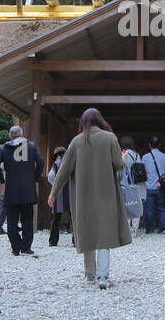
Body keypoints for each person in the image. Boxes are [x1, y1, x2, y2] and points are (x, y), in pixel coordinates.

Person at [48, 108, 131, 289]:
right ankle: (103, 276)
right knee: (104, 235)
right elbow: (118, 164)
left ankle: (90, 275)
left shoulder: (77, 142)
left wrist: (53, 193)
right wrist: (123, 158)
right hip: (106, 194)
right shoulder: (110, 138)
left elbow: (63, 170)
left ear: (83, 123)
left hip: (83, 196)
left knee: (88, 234)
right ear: (100, 120)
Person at [0, 125, 45, 257]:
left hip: (12, 188)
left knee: (12, 219)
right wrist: (35, 177)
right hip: (28, 187)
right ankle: (26, 247)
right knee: (27, 219)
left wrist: (1, 179)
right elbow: (41, 161)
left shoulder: (4, 148)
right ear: (22, 134)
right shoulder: (31, 146)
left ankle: (15, 247)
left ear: (10, 136)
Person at [141, 136, 165, 234]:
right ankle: (163, 227)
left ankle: (150, 228)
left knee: (149, 208)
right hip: (160, 186)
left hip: (149, 185)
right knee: (162, 207)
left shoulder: (145, 157)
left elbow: (143, 172)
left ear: (149, 145)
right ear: (159, 145)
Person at [47, 145, 72, 246]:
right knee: (73, 218)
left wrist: (56, 187)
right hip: (71, 193)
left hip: (59, 194)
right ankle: (76, 241)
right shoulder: (71, 163)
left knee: (56, 219)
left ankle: (53, 241)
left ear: (57, 155)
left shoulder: (56, 164)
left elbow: (50, 177)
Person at [119, 135, 144, 236]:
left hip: (124, 183)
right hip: (135, 183)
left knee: (125, 204)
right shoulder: (137, 155)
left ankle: (126, 228)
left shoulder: (122, 154)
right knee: (135, 203)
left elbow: (119, 167)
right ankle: (134, 229)